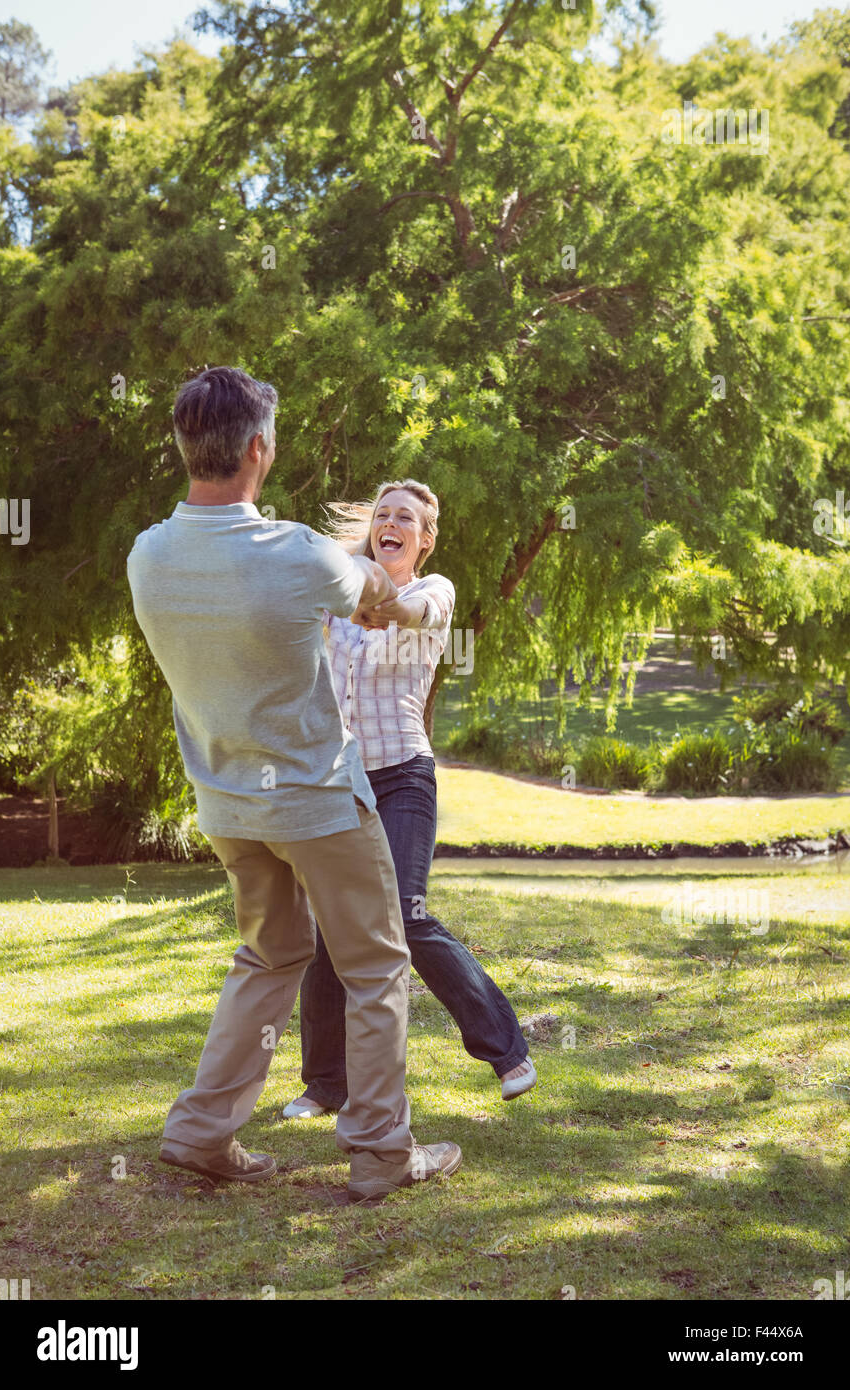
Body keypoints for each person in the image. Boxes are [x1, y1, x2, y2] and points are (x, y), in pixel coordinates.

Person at [126, 366, 461, 1202]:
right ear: (259, 449)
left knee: (270, 953)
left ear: (184, 446)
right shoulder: (299, 553)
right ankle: (384, 1151)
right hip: (315, 799)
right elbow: (383, 600)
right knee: (377, 965)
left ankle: (201, 1132)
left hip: (227, 803)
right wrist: (420, 607)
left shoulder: (148, 554)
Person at [283, 478, 536, 1122]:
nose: (390, 524)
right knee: (325, 935)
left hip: (401, 777)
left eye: (406, 519)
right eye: (382, 515)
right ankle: (324, 1085)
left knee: (407, 912)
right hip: (339, 781)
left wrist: (372, 603)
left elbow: (410, 616)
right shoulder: (331, 596)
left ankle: (506, 1052)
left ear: (423, 540)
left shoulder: (434, 590)